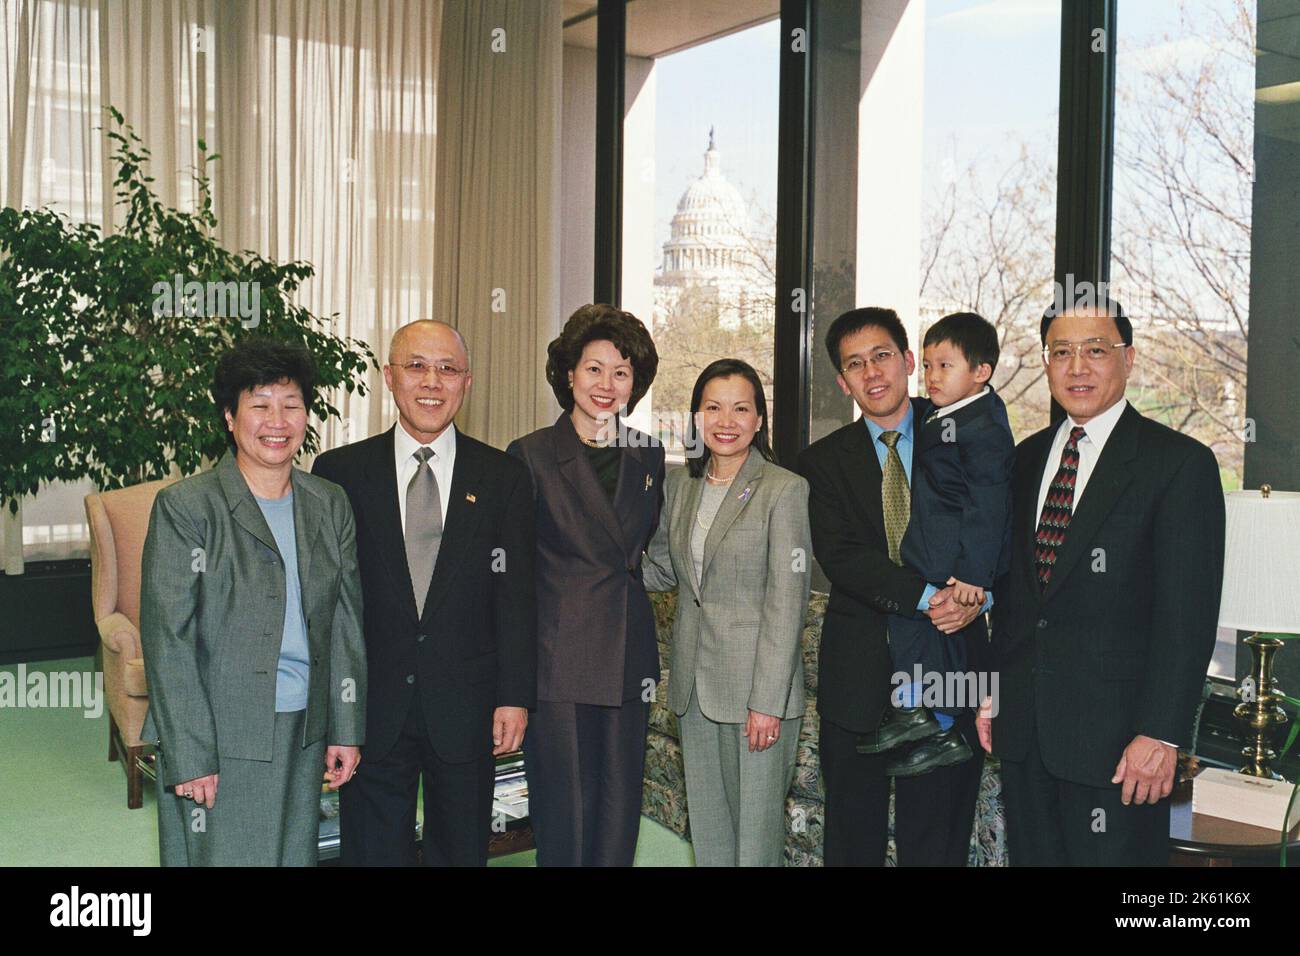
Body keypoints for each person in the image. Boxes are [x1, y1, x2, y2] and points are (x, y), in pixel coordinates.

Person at [977, 298, 1225, 865]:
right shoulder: (1028, 458)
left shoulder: (1179, 464)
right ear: (1046, 363)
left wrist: (1161, 735)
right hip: (1026, 734)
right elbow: (1018, 598)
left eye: (1095, 350)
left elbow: (1187, 618)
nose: (1078, 367)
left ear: (1128, 358)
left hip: (1121, 749)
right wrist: (992, 689)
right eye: (1061, 352)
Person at [311, 320, 536, 866]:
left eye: (447, 369)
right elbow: (329, 606)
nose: (432, 382)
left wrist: (514, 696)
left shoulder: (505, 475)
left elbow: (518, 597)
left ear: (468, 382)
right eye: (416, 366)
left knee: (460, 853)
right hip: (372, 707)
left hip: (469, 703)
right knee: (371, 853)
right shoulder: (339, 474)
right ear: (389, 376)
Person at [140, 337, 366, 866]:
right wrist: (192, 754)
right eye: (259, 405)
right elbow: (167, 637)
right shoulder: (187, 507)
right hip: (221, 733)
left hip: (305, 729)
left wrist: (347, 726)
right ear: (229, 417)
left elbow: (345, 622)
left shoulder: (329, 504)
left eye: (291, 405)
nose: (277, 421)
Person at [798, 307, 987, 866]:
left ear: (908, 361)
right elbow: (842, 558)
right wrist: (933, 599)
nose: (872, 372)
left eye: (882, 355)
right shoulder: (821, 463)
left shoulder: (964, 433)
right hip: (859, 678)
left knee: (937, 840)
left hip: (951, 670)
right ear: (843, 382)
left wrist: (978, 598)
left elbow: (998, 534)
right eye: (855, 364)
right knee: (852, 842)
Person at [507, 303, 665, 867]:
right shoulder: (529, 455)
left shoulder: (649, 454)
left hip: (628, 657)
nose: (606, 384)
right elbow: (512, 576)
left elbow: (647, 551)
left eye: (620, 372)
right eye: (593, 368)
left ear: (635, 383)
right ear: (568, 373)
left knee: (619, 812)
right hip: (560, 662)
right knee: (566, 814)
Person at [641, 359, 811, 866]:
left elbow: (787, 601)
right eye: (713, 407)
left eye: (741, 408)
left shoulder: (784, 489)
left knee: (755, 845)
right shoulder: (681, 487)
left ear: (760, 419)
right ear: (696, 417)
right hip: (694, 689)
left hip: (757, 697)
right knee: (712, 839)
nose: (726, 419)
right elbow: (664, 572)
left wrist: (768, 702)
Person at [864, 312, 1014, 778]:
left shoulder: (983, 427)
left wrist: (974, 575)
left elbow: (991, 506)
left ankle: (917, 711)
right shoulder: (951, 413)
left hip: (949, 558)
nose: (931, 377)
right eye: (927, 365)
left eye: (944, 366)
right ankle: (940, 726)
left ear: (981, 372)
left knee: (916, 619)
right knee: (934, 634)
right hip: (935, 555)